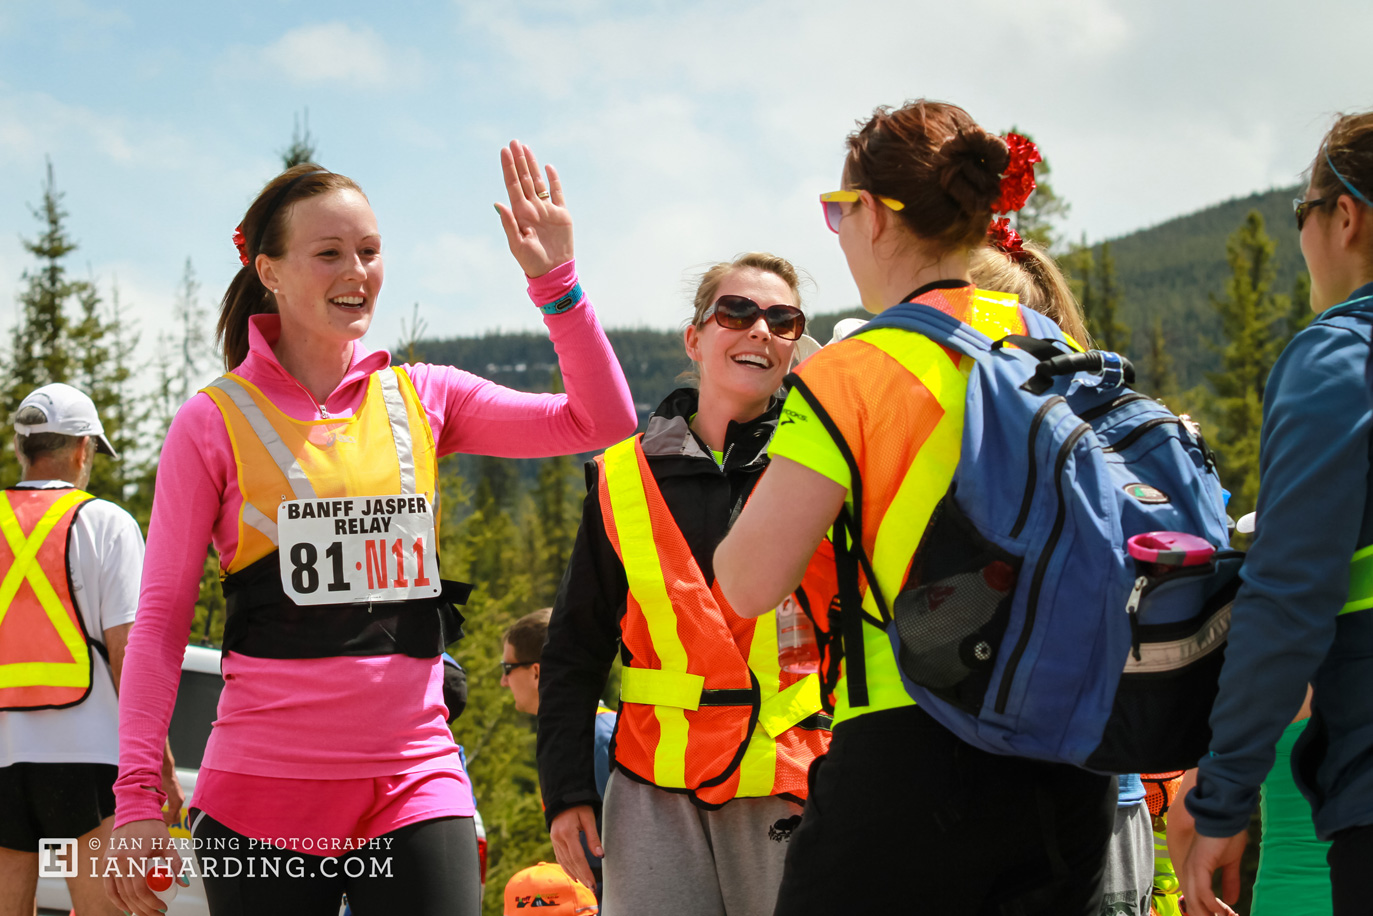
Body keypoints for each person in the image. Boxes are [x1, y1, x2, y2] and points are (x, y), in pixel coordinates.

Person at [104, 142, 637, 916]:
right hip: (262, 797)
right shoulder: (210, 423)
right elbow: (159, 625)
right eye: (329, 253)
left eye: (370, 251)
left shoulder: (423, 398)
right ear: (270, 270)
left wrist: (555, 285)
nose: (357, 272)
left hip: (415, 781)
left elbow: (603, 420)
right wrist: (136, 800)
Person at [715, 99, 1117, 914]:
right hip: (1070, 753)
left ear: (869, 213)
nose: (836, 227)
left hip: (914, 743)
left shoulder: (853, 371)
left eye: (835, 210)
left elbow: (748, 583)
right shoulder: (1050, 343)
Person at [537, 252, 833, 916]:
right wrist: (566, 792)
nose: (760, 329)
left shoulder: (824, 466)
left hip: (794, 779)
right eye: (736, 312)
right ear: (694, 339)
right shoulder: (620, 479)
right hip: (651, 793)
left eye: (782, 320)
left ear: (793, 348)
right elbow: (573, 651)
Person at [1178, 110, 1373, 916]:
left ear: (1345, 216)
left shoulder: (1340, 358)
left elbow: (1290, 593)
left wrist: (1221, 799)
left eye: (1303, 214)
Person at [0, 384, 182, 916]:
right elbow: (131, 655)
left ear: (20, 448)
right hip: (90, 755)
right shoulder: (106, 523)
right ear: (83, 450)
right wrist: (161, 768)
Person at [502, 608, 616, 896]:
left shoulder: (598, 739)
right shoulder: (591, 736)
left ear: (536, 672)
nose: (504, 682)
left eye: (507, 668)